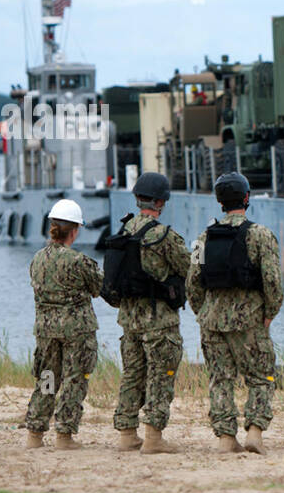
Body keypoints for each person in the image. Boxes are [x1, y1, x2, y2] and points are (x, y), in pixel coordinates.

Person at [186, 171, 283, 454]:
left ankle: (226, 438)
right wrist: (269, 313)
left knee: (220, 379)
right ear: (246, 197)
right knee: (261, 376)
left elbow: (192, 282)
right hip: (250, 319)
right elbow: (273, 281)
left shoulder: (201, 239)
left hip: (212, 321)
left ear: (220, 202)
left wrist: (203, 313)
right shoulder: (262, 235)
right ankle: (254, 431)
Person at [103, 171, 190, 454]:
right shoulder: (163, 235)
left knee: (132, 374)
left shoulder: (123, 231)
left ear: (138, 198)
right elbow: (187, 267)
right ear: (161, 202)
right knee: (160, 375)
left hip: (129, 319)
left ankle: (127, 434)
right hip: (159, 320)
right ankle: (153, 438)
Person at [24, 198, 103, 449]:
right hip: (76, 331)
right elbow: (99, 288)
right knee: (74, 380)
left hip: (46, 331)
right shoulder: (79, 261)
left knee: (47, 378)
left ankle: (35, 434)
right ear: (75, 230)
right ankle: (64, 436)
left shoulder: (37, 259)